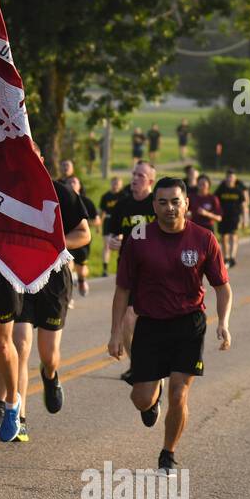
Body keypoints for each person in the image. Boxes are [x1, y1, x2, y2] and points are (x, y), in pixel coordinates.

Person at [109, 177, 232, 475]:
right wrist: (115, 333)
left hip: (188, 325)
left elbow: (222, 287)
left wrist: (224, 323)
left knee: (180, 394)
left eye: (175, 201)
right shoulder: (138, 239)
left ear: (187, 203)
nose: (169, 208)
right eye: (162, 202)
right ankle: (152, 401)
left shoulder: (204, 238)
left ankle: (168, 454)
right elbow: (123, 289)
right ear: (153, 206)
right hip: (150, 325)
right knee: (141, 399)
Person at [12, 175, 91, 436]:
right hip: (20, 277)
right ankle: (18, 415)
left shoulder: (62, 193)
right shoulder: (4, 190)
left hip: (54, 279)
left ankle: (50, 375)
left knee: (49, 354)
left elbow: (84, 235)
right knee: (20, 344)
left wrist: (52, 244)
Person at [104, 162, 156, 380]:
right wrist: (111, 241)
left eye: (141, 175)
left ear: (151, 181)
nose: (135, 178)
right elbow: (112, 233)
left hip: (156, 272)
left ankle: (153, 363)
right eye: (134, 173)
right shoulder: (122, 205)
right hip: (129, 270)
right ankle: (138, 366)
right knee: (127, 318)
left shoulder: (157, 205)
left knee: (152, 322)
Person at [67, 176, 98, 296]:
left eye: (74, 182)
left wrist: (84, 223)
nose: (71, 184)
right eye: (69, 183)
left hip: (82, 239)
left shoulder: (87, 202)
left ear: (80, 185)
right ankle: (68, 295)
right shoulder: (64, 201)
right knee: (68, 265)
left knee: (81, 268)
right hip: (69, 239)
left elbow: (97, 220)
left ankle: (81, 280)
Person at [213, 170, 246, 268]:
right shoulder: (221, 189)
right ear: (226, 178)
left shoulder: (238, 191)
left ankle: (232, 257)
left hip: (235, 216)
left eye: (232, 177)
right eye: (228, 177)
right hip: (223, 217)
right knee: (224, 237)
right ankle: (226, 257)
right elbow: (214, 200)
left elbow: (244, 205)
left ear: (235, 179)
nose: (230, 179)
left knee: (233, 236)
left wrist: (244, 219)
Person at [97, 176, 123, 277]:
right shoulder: (106, 196)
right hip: (108, 221)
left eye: (117, 182)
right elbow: (102, 212)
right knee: (107, 245)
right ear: (111, 183)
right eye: (114, 182)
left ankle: (120, 268)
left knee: (120, 245)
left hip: (120, 221)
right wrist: (99, 225)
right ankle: (105, 269)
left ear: (121, 184)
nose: (115, 184)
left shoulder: (123, 195)